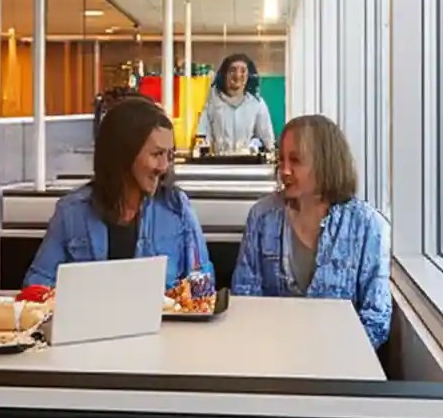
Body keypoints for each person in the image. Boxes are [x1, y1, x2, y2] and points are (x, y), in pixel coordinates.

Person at [231, 115, 392, 347]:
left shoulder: (368, 226)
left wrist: (335, 357)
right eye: (281, 159)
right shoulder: (262, 216)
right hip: (271, 357)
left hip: (341, 368)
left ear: (325, 163)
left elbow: (377, 317)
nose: (284, 170)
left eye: (295, 160)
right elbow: (244, 298)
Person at [25, 97, 212, 289]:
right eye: (157, 154)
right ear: (124, 154)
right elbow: (37, 286)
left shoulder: (177, 208)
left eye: (169, 155)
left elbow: (203, 286)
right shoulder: (72, 212)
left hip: (162, 320)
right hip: (90, 319)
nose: (164, 166)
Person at [195, 53, 275, 154]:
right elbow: (202, 137)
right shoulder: (212, 103)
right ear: (224, 75)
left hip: (248, 165)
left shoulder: (257, 104)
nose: (237, 75)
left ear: (248, 75)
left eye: (243, 71)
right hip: (219, 165)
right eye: (232, 70)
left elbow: (267, 140)